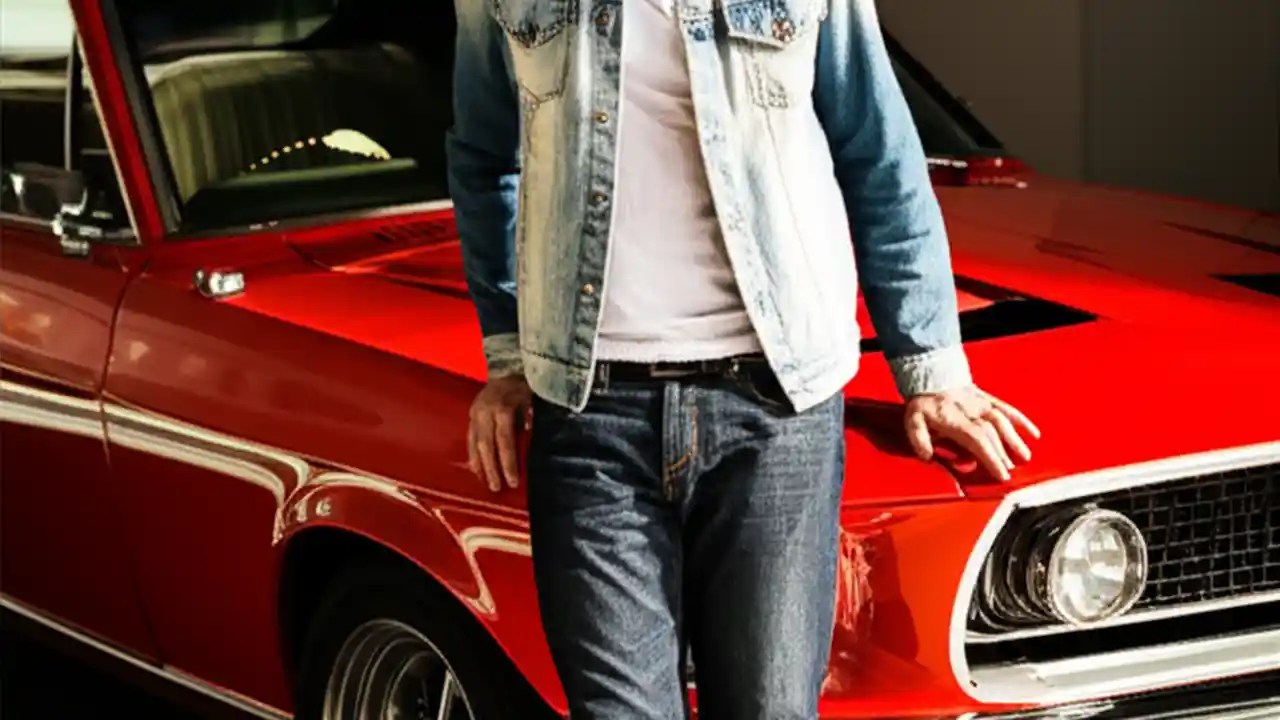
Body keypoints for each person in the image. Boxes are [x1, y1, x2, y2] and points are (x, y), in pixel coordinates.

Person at [446, 0, 1040, 717]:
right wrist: (508, 357)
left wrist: (932, 367)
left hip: (775, 411)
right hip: (590, 415)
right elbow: (483, 158)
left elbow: (878, 152)